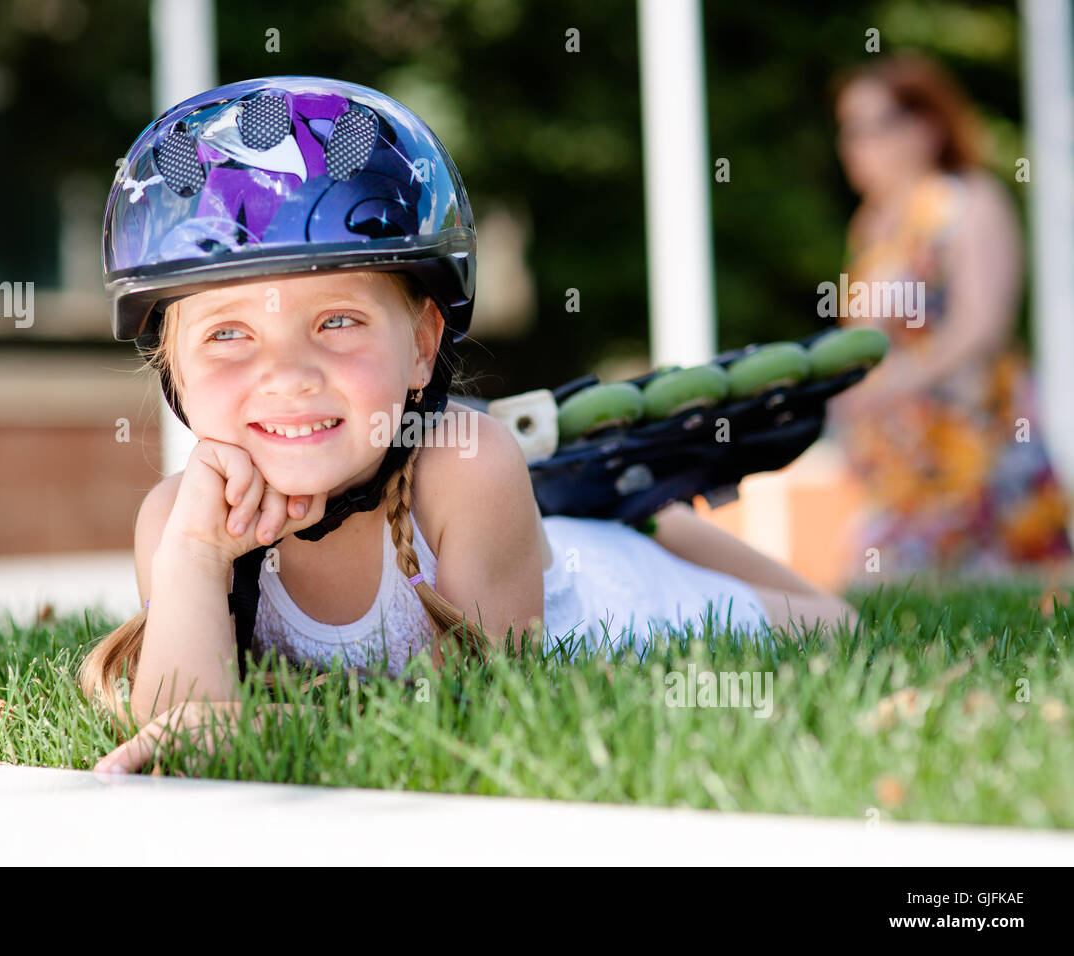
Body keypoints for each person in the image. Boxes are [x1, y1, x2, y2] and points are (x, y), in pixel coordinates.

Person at [83, 76, 856, 774]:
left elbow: (480, 716)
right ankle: (590, 502)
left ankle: (643, 516)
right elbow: (179, 730)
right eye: (227, 334)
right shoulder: (176, 520)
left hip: (618, 596)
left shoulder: (466, 467)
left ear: (421, 347)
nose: (287, 374)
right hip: (540, 536)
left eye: (338, 321)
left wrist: (287, 724)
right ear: (173, 369)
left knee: (831, 628)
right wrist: (192, 556)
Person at [829, 52, 1073, 583]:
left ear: (926, 124)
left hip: (973, 439)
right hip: (902, 458)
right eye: (847, 129)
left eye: (872, 126)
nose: (855, 145)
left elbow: (982, 325)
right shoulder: (873, 225)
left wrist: (894, 385)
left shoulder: (968, 201)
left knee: (1009, 590)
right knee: (887, 596)